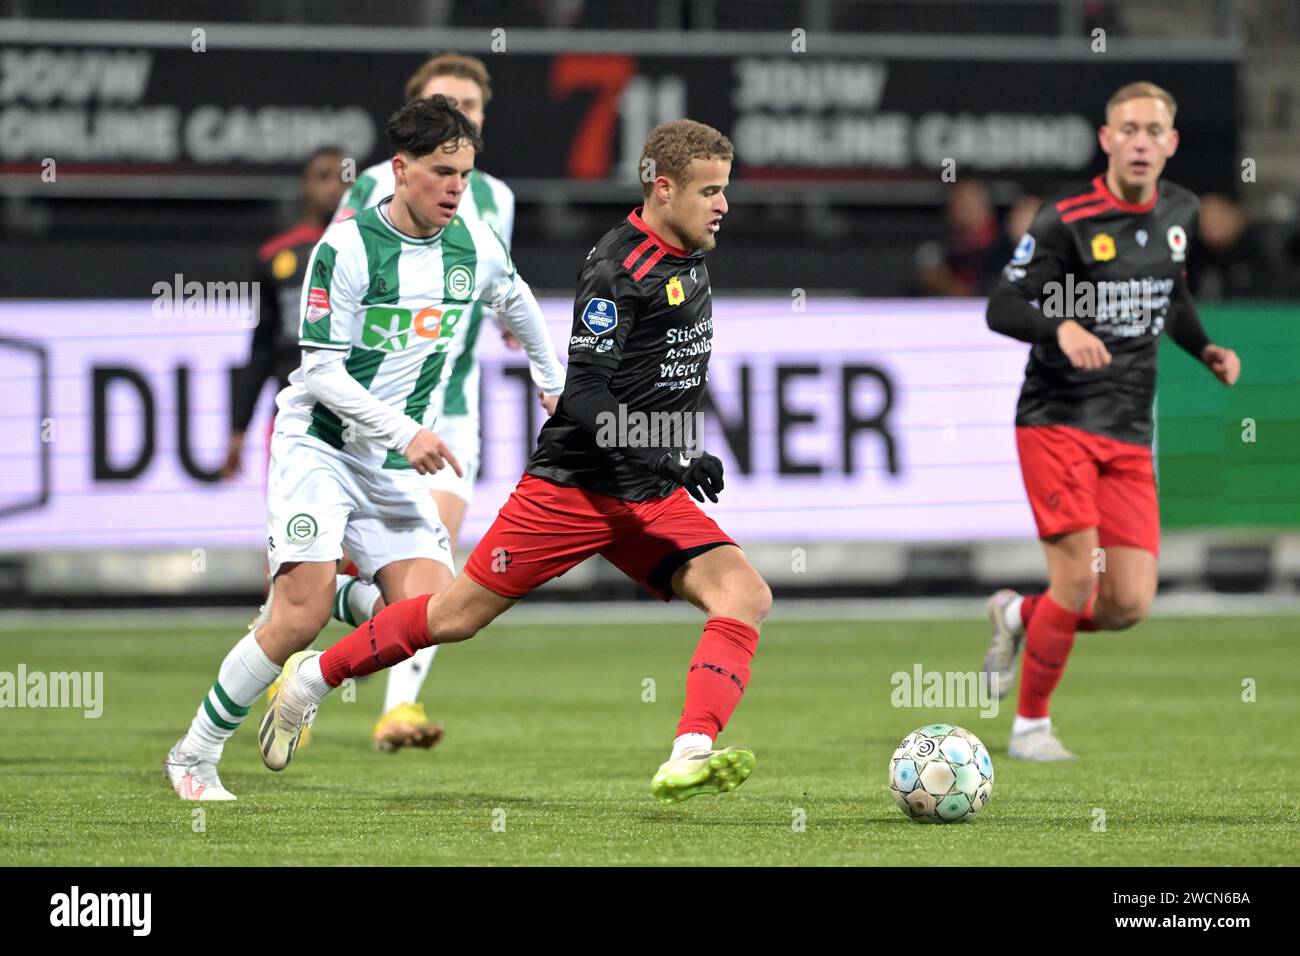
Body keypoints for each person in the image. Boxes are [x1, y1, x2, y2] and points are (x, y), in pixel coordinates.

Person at [259, 119, 773, 805]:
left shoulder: (690, 251)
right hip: (575, 489)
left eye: (724, 190)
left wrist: (674, 452)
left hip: (649, 487)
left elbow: (659, 380)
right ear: (664, 188)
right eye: (709, 191)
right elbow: (583, 393)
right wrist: (662, 447)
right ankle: (313, 678)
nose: (722, 205)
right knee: (452, 618)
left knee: (744, 594)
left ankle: (690, 750)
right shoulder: (619, 268)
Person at [163, 96, 566, 800]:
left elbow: (517, 299)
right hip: (320, 446)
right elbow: (318, 372)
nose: (454, 188)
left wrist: (550, 379)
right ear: (400, 170)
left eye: (465, 175)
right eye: (442, 172)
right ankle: (194, 756)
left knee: (439, 617)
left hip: (390, 465)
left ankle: (308, 683)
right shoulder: (346, 247)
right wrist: (407, 431)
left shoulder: (472, 241)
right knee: (298, 614)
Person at [981, 81, 1241, 760]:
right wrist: (1058, 326)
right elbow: (1001, 307)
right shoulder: (1065, 217)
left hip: (1128, 429)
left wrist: (1204, 346)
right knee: (1076, 580)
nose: (1140, 142)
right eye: (1128, 129)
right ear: (1106, 140)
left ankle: (1017, 616)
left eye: (1154, 130)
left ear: (1171, 143)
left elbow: (1170, 295)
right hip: (1056, 419)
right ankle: (1030, 727)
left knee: (1126, 604)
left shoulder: (1180, 210)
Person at [330, 52, 520, 751]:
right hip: (373, 409)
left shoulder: (497, 199)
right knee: (356, 572)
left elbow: (496, 284)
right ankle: (321, 620)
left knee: (435, 564)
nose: (462, 113)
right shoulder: (372, 189)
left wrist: (515, 332)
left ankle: (398, 707)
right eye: (447, 101)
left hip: (452, 409)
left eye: (471, 104)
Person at [220, 148, 348, 481]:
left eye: (343, 177)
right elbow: (262, 346)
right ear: (306, 185)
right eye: (323, 177)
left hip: (354, 416)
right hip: (293, 412)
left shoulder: (368, 250)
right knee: (290, 524)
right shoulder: (276, 257)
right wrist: (238, 430)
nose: (334, 187)